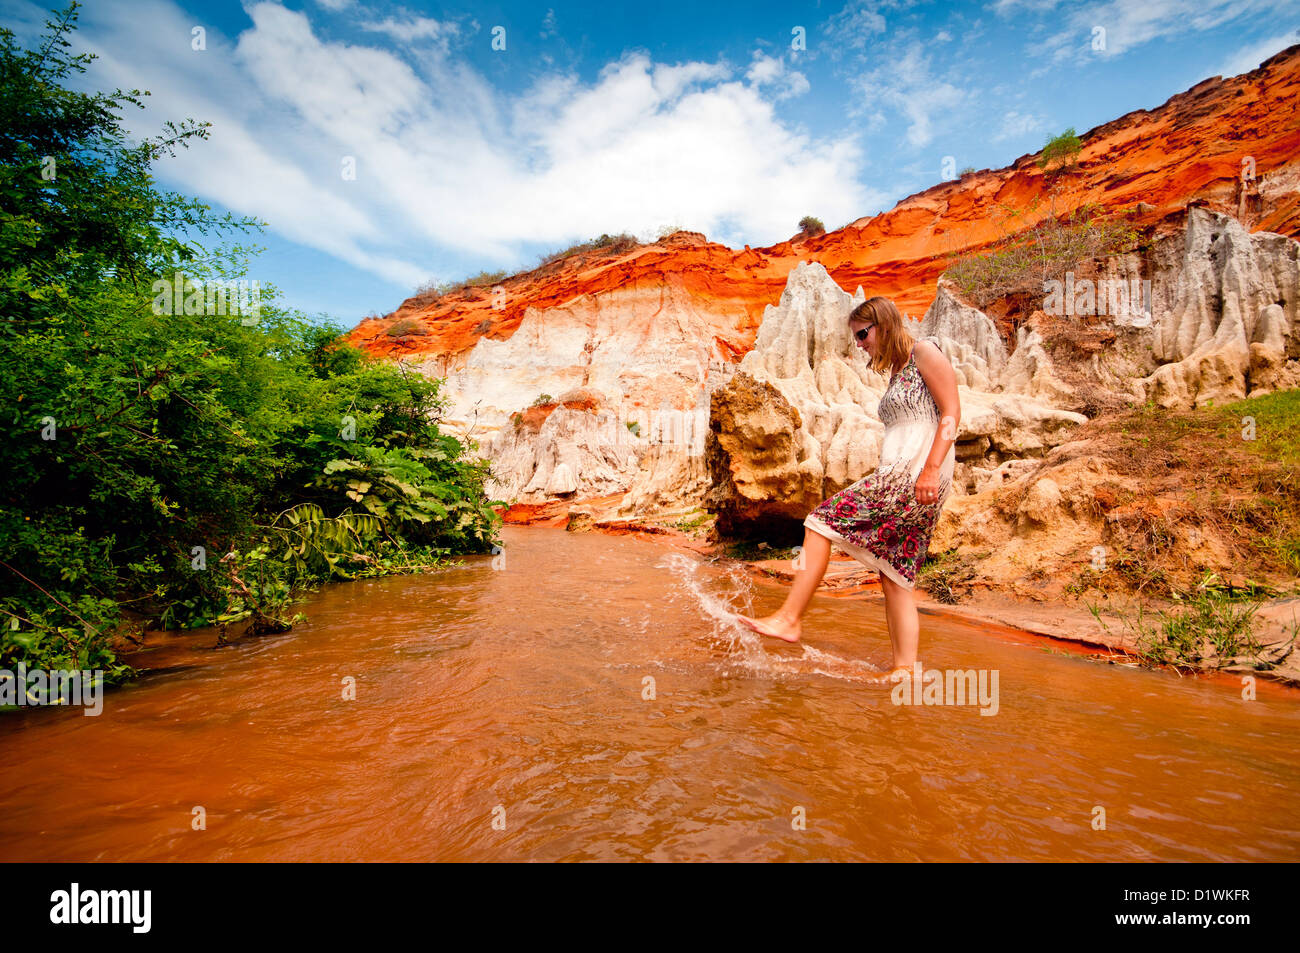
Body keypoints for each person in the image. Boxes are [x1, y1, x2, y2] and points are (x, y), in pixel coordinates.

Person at [736, 295, 961, 682]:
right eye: (856, 338)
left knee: (820, 522)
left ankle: (790, 618)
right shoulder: (897, 371)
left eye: (862, 334)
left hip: (916, 474)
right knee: (895, 573)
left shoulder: (924, 351)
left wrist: (931, 468)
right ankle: (904, 671)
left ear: (884, 324)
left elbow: (953, 412)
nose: (860, 344)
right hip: (907, 471)